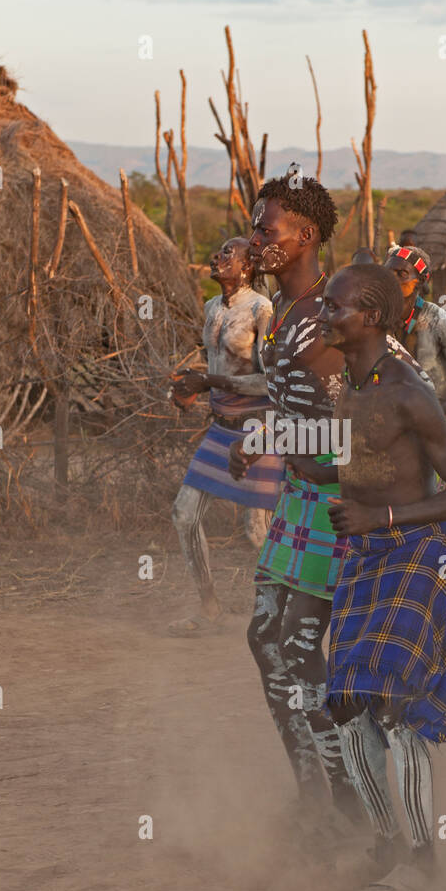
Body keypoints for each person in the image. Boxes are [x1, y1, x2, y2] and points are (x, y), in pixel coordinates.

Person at [228, 177, 431, 836]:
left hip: (341, 502)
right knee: (269, 639)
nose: (257, 240)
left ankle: (348, 806)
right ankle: (318, 792)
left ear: (304, 236)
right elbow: (305, 400)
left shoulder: (327, 321)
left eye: (267, 230)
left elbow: (359, 426)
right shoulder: (290, 313)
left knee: (305, 653)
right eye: (256, 229)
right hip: (302, 496)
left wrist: (270, 437)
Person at [309, 265, 446, 891]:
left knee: (399, 709)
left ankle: (423, 859)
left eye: (335, 306)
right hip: (365, 554)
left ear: (372, 318)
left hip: (418, 553)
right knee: (347, 705)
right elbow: (352, 464)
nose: (323, 314)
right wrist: (261, 447)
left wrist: (380, 517)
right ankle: (387, 845)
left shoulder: (410, 392)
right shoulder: (348, 386)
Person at [167, 238, 284, 637]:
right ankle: (209, 606)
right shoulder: (211, 308)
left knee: (259, 534)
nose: (217, 258)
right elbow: (215, 367)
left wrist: (208, 381)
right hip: (221, 427)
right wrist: (188, 390)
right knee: (184, 515)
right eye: (216, 251)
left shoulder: (261, 309)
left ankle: (286, 616)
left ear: (249, 267)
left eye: (227, 254)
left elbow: (272, 383)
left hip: (256, 432)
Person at [384, 244, 446, 454]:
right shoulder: (376, 322)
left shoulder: (440, 322)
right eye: (388, 273)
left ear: (421, 281)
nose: (392, 280)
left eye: (402, 274)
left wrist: (435, 414)